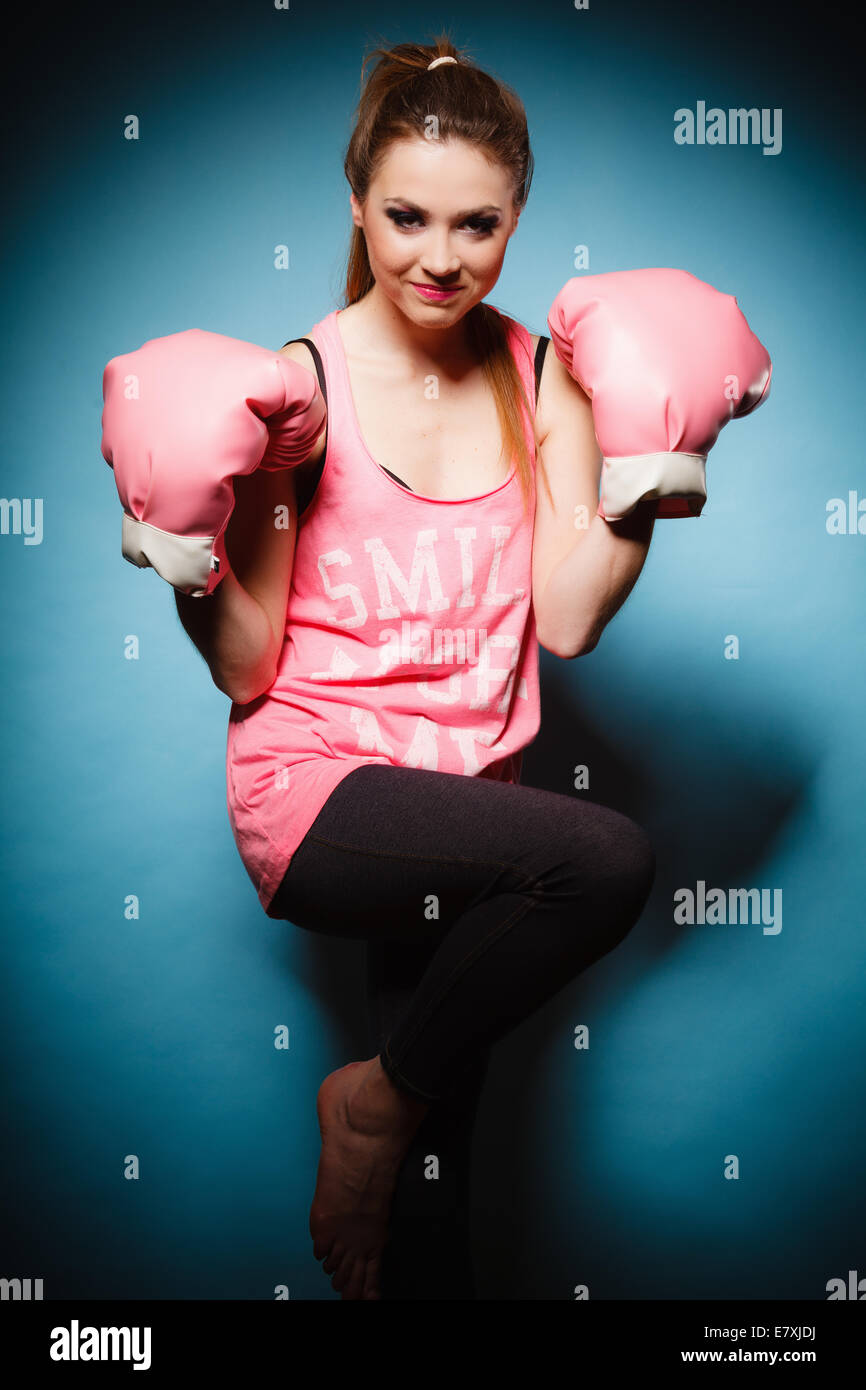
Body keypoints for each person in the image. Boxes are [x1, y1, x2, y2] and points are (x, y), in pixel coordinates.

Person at [173, 36, 659, 1301]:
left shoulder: (540, 374)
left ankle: (382, 1125)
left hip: (463, 809)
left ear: (515, 221)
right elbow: (244, 668)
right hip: (320, 789)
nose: (438, 257)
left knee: (429, 1200)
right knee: (603, 858)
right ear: (355, 203)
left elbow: (564, 620)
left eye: (475, 224)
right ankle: (371, 1108)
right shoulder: (298, 388)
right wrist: (188, 559)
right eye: (404, 217)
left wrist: (644, 488)